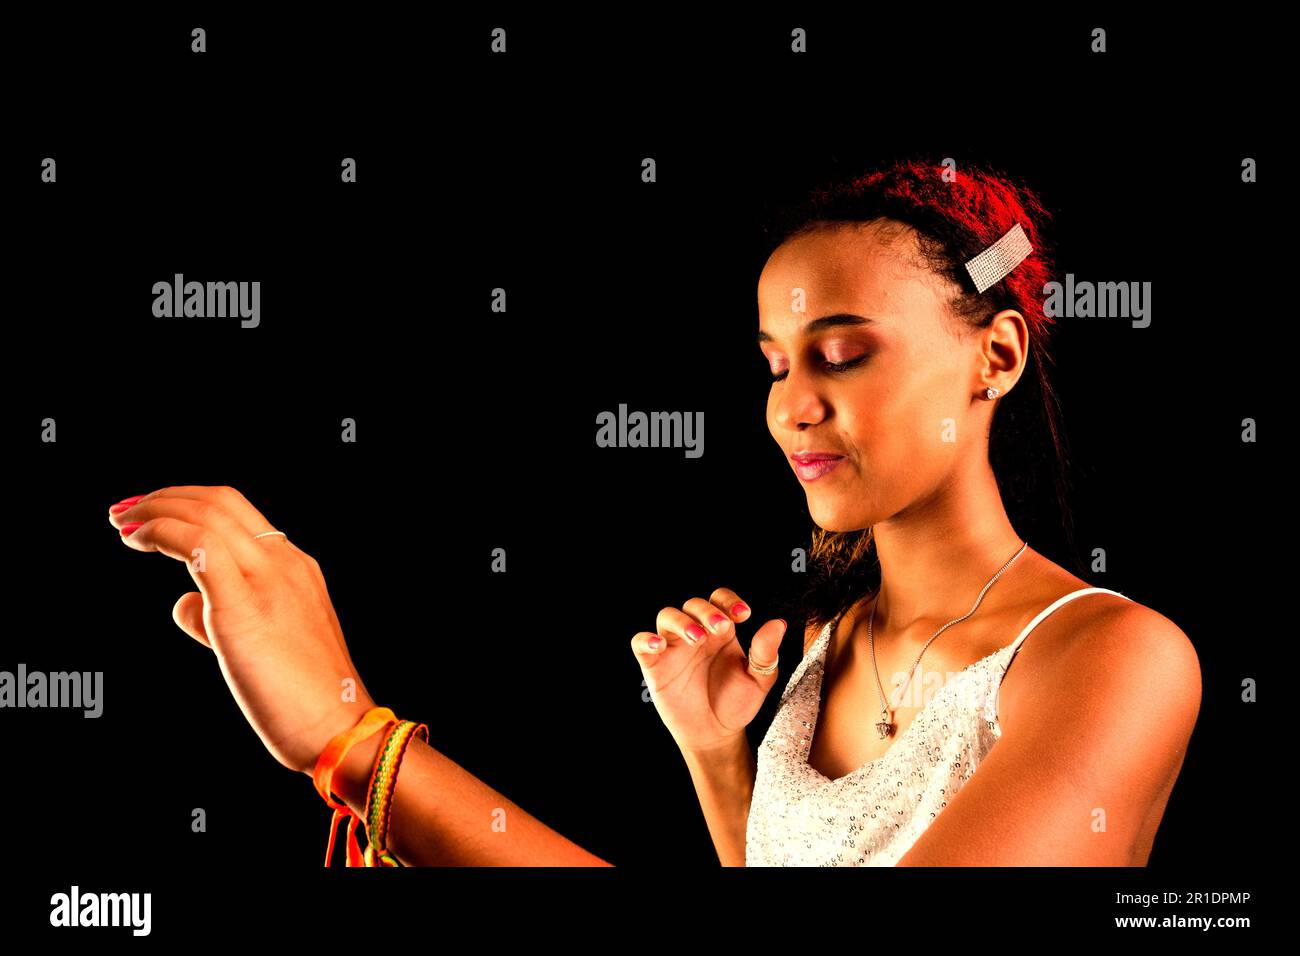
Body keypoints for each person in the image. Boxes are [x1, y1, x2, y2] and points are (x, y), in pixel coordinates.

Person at [105, 161, 1200, 867]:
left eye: (842, 354)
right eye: (775, 364)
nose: (791, 406)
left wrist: (355, 742)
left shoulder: (1115, 657)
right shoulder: (817, 647)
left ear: (995, 356)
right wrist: (721, 766)